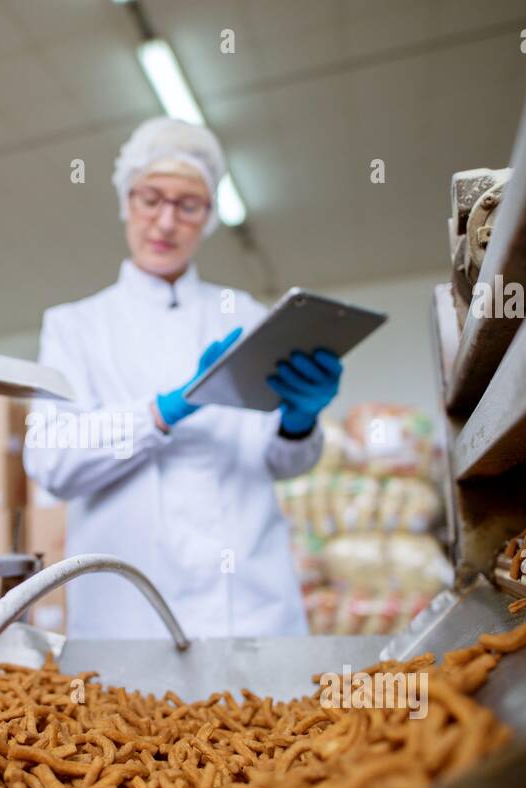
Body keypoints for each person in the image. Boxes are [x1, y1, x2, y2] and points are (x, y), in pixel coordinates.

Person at [23, 117, 342, 640]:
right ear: (126, 201)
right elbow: (51, 461)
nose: (166, 222)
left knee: (270, 722)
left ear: (209, 216)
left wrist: (299, 424)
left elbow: (283, 464)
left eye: (187, 205)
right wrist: (163, 410)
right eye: (151, 199)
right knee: (123, 726)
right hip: (130, 619)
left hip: (251, 607)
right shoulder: (75, 325)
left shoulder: (246, 315)